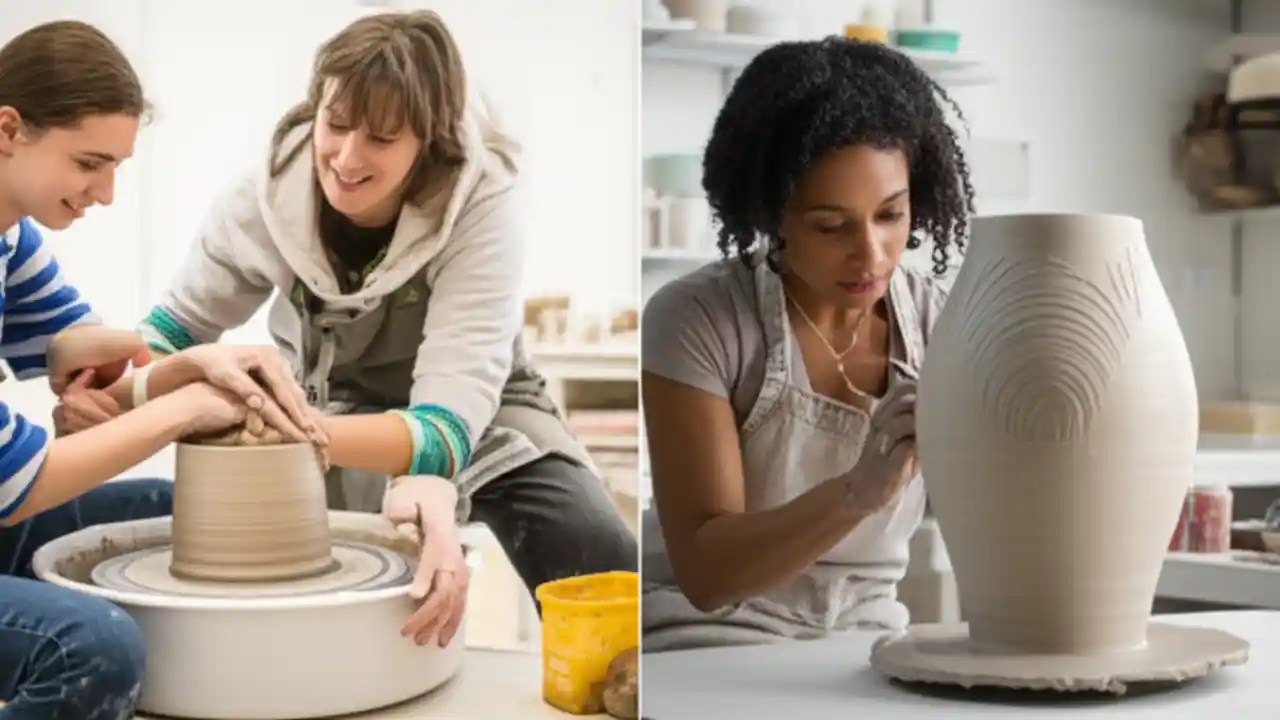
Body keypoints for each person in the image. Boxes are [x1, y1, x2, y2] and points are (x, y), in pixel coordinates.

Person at [132, 10, 637, 647]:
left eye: (381, 138)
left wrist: (282, 436)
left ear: (428, 139)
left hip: (483, 409)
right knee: (308, 599)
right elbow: (170, 333)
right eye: (336, 125)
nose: (346, 157)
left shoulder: (480, 201)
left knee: (598, 551)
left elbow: (446, 425)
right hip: (321, 404)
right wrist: (132, 387)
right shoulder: (264, 198)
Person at [0, 20, 320, 719]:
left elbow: (95, 367)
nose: (106, 193)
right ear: (8, 129)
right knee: (97, 650)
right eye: (89, 164)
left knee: (169, 511)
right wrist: (183, 410)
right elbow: (13, 486)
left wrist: (192, 363)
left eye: (116, 167)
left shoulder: (11, 237)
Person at [639, 38, 975, 652]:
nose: (871, 254)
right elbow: (708, 577)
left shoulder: (938, 319)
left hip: (866, 639)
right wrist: (857, 492)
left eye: (891, 215)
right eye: (831, 225)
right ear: (770, 214)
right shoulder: (698, 319)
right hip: (710, 641)